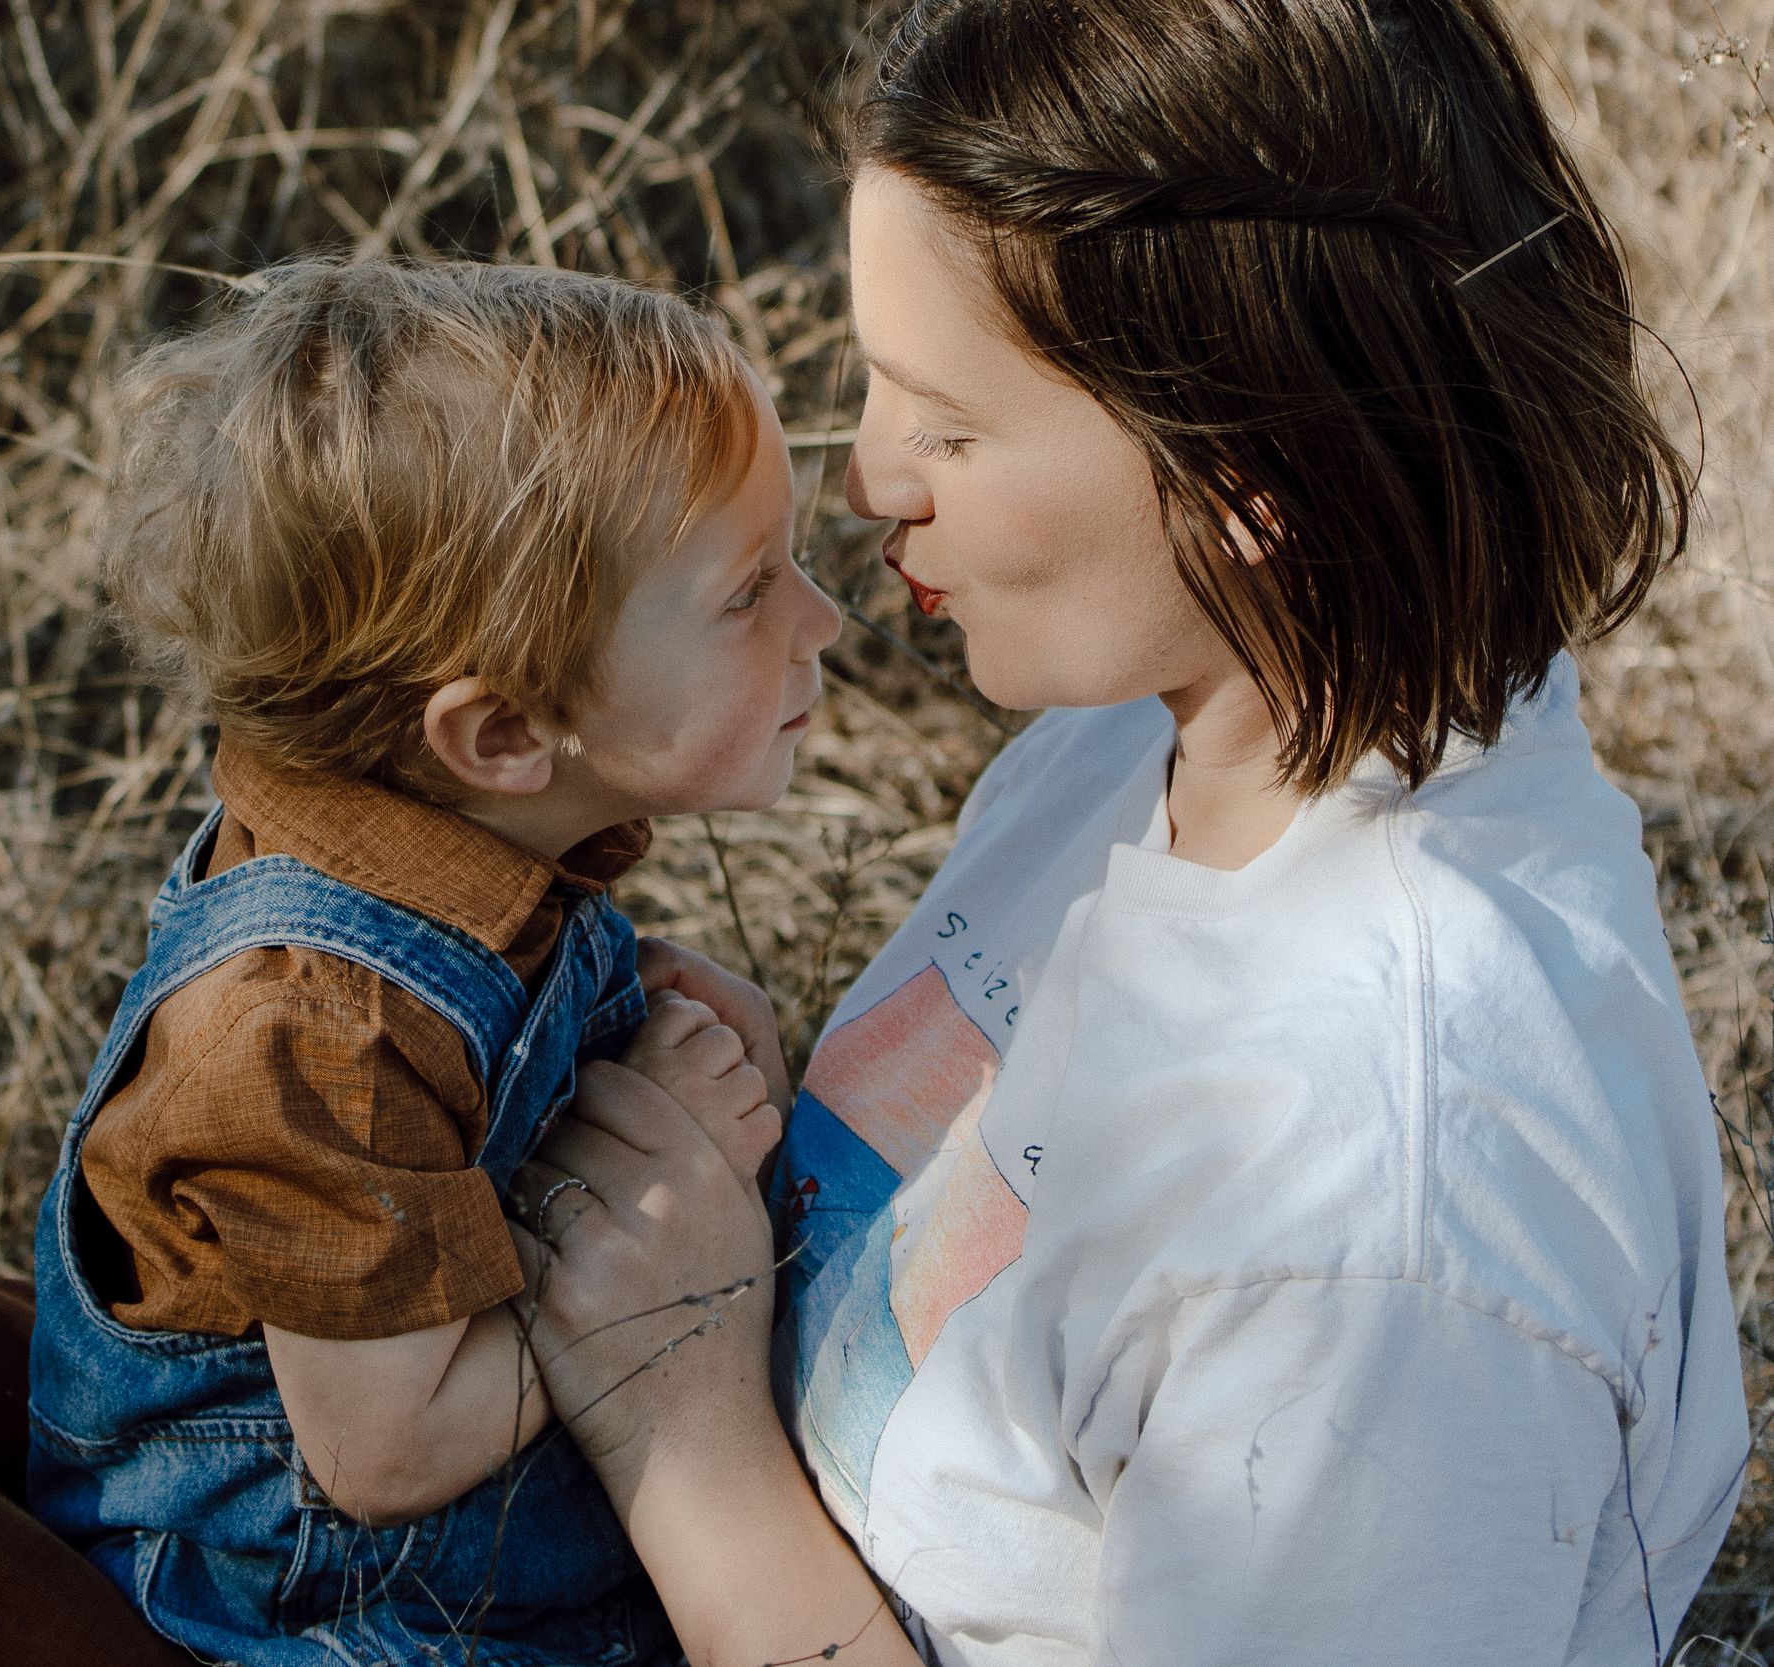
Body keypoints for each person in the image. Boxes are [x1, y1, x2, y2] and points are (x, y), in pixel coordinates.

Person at [498, 0, 1749, 1661]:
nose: (869, 482)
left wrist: (678, 1415)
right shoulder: (1155, 730)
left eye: (948, 425)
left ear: (1249, 474)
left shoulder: (1382, 1246)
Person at [23, 258, 825, 1665]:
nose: (823, 619)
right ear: (504, 734)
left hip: (505, 1552)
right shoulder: (307, 1032)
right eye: (749, 592)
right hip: (339, 1614)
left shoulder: (475, 835)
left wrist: (640, 1021)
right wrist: (652, 1215)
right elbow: (386, 1455)